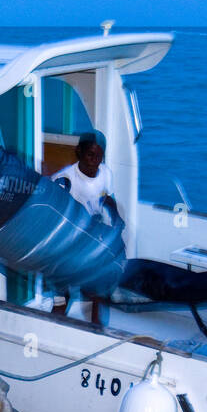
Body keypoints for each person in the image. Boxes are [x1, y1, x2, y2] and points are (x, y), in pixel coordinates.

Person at [51, 133, 121, 323]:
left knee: (96, 294)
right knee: (61, 301)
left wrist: (116, 223)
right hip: (65, 246)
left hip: (91, 243)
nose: (94, 161)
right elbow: (54, 216)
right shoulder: (64, 180)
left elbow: (107, 199)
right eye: (90, 155)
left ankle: (97, 334)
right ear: (79, 152)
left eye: (99, 156)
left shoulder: (106, 173)